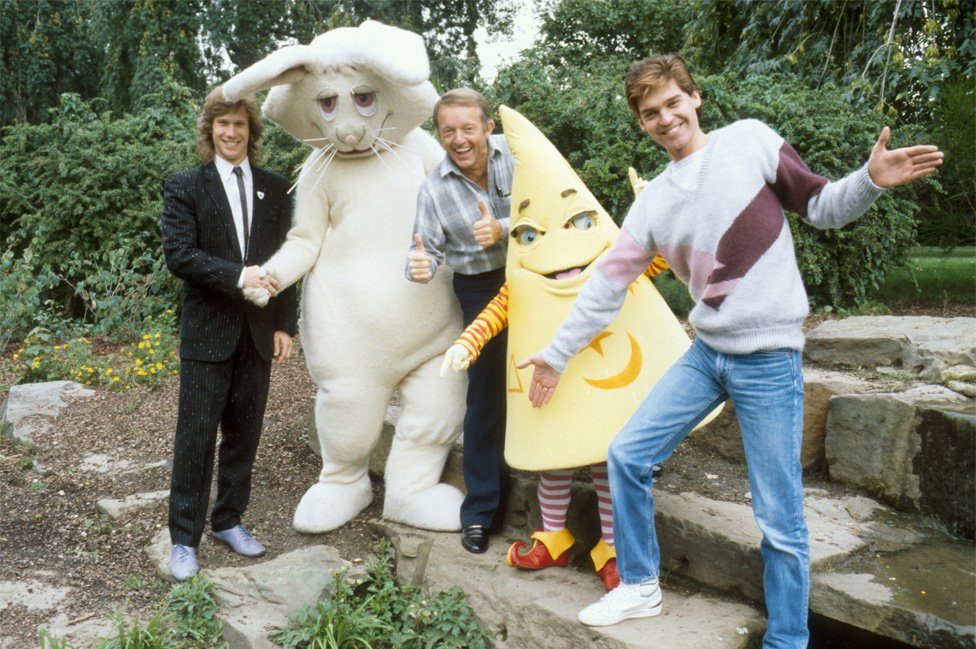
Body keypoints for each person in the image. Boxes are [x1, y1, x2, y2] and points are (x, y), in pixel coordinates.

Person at [518, 54, 942, 645]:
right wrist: (557, 352)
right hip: (706, 355)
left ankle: (787, 637)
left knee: (779, 517)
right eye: (650, 113)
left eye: (672, 103)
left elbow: (821, 207)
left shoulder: (750, 143)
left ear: (694, 98)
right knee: (627, 455)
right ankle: (639, 585)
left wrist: (870, 180)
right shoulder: (654, 202)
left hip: (769, 359)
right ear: (641, 123)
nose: (665, 119)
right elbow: (606, 286)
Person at [161, 87, 298, 581]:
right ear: (210, 129)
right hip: (208, 332)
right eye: (223, 124)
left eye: (240, 124)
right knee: (195, 438)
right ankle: (183, 538)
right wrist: (239, 275)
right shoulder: (185, 186)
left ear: (251, 131)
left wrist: (285, 322)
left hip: (258, 334)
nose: (231, 132)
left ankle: (229, 520)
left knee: (244, 433)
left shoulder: (276, 186)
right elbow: (180, 256)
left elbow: (288, 257)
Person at [406, 88, 514, 553]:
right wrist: (419, 266)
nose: (459, 139)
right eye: (448, 130)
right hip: (481, 286)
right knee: (485, 393)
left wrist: (505, 227)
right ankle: (481, 512)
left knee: (567, 365)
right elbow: (423, 250)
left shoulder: (521, 151)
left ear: (488, 127)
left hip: (542, 270)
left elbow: (562, 207)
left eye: (468, 128)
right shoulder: (433, 189)